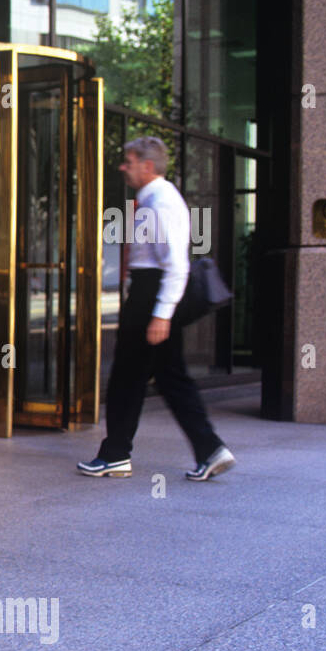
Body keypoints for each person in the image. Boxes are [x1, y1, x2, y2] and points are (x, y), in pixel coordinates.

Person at [78, 136, 235, 481]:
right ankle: (207, 448)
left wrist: (161, 314)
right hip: (149, 295)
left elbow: (177, 265)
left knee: (128, 377)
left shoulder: (161, 203)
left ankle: (117, 454)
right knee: (163, 377)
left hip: (152, 296)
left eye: (129, 161)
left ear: (148, 166)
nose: (123, 167)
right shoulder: (152, 200)